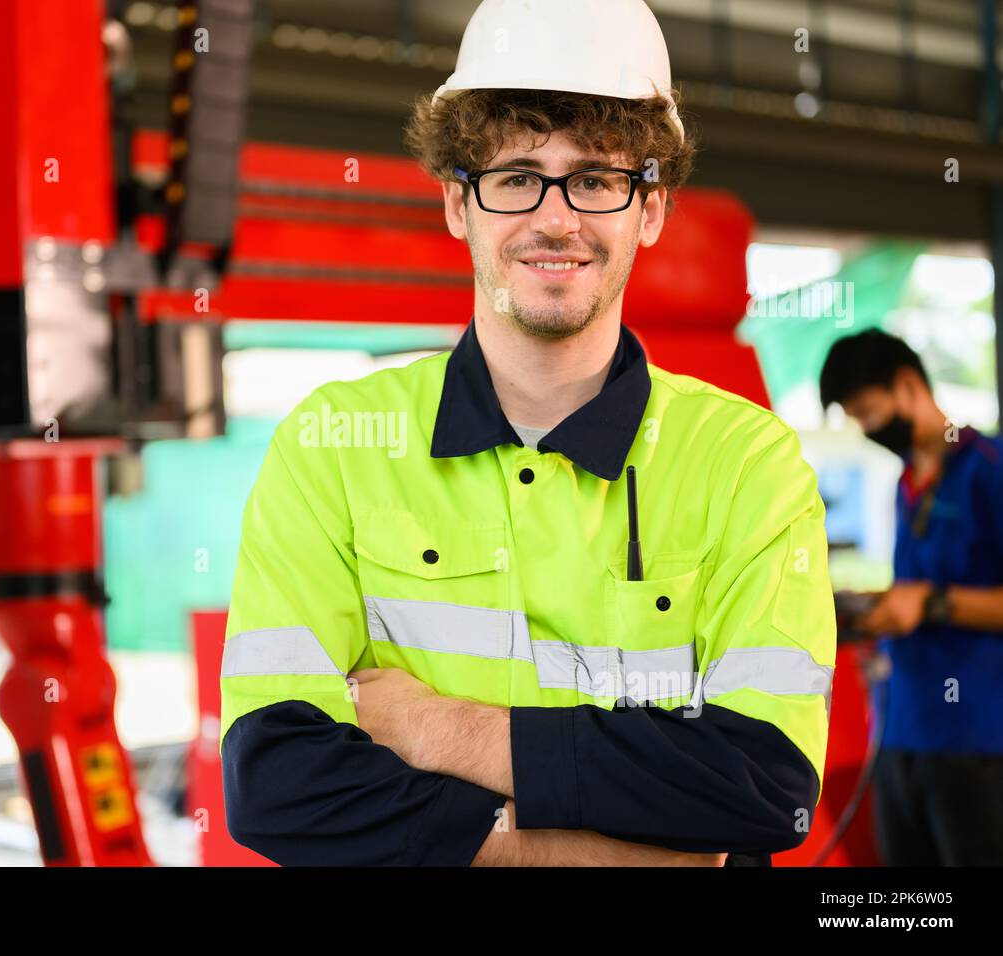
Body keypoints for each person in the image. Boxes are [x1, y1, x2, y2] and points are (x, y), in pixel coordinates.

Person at [219, 0, 835, 866]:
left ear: (649, 210)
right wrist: (577, 853)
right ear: (456, 205)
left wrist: (439, 727)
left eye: (597, 179)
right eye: (515, 177)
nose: (556, 219)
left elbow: (763, 786)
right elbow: (275, 783)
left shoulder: (747, 465)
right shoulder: (332, 446)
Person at [820, 329, 1003, 865]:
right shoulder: (904, 483)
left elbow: (927, 594)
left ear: (907, 386)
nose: (866, 428)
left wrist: (931, 602)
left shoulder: (986, 470)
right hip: (901, 734)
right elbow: (909, 589)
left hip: (975, 741)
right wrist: (877, 612)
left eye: (869, 411)